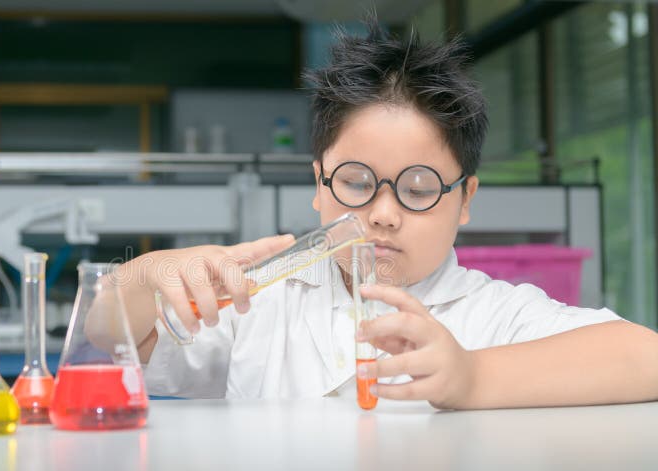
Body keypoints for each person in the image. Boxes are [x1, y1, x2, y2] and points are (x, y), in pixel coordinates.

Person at [104, 20, 658, 409]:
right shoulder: (263, 300)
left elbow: (645, 357)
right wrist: (144, 274)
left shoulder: (494, 316)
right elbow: (107, 336)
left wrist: (470, 376)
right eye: (356, 183)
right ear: (318, 184)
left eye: (418, 188)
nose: (384, 214)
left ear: (465, 200)